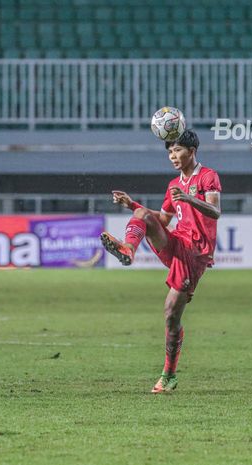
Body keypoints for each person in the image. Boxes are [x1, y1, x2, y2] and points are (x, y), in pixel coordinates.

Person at [100, 130, 221, 393]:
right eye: (169, 152)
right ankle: (128, 250)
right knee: (143, 213)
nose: (173, 156)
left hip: (195, 251)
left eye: (177, 150)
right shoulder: (172, 185)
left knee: (170, 317)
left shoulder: (208, 176)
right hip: (177, 243)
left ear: (192, 150)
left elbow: (216, 211)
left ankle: (169, 374)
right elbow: (163, 221)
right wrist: (131, 204)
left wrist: (190, 198)